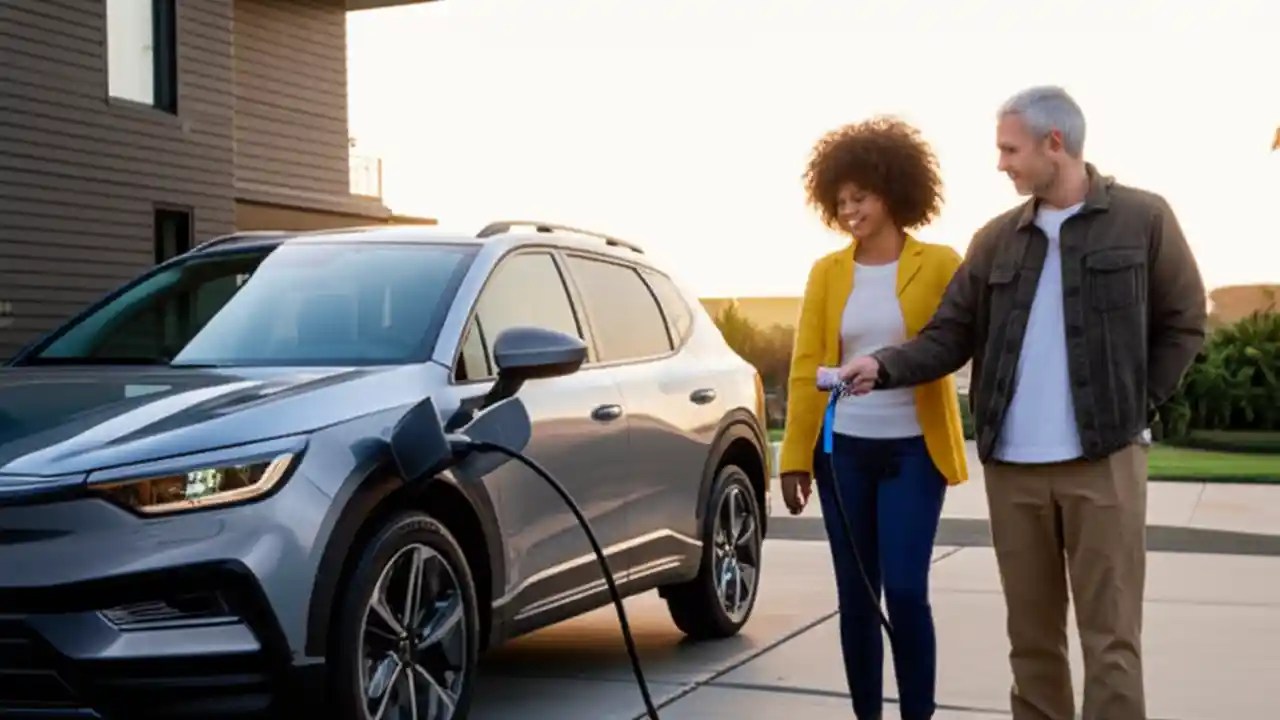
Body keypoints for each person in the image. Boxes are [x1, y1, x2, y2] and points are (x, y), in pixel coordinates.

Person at [838, 86, 1207, 720]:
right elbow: (949, 334)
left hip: (1104, 463)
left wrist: (1136, 406)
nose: (1002, 163)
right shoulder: (996, 239)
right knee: (1031, 644)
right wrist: (883, 365)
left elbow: (1184, 322)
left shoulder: (1143, 219)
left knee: (1112, 642)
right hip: (1014, 470)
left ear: (1053, 144)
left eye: (1010, 149)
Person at [778, 116, 970, 720]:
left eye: (860, 197)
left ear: (893, 191)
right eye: (840, 201)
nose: (850, 210)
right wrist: (794, 457)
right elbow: (808, 363)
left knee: (908, 592)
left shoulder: (940, 263)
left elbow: (951, 342)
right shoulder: (826, 273)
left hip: (914, 451)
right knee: (857, 599)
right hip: (844, 457)